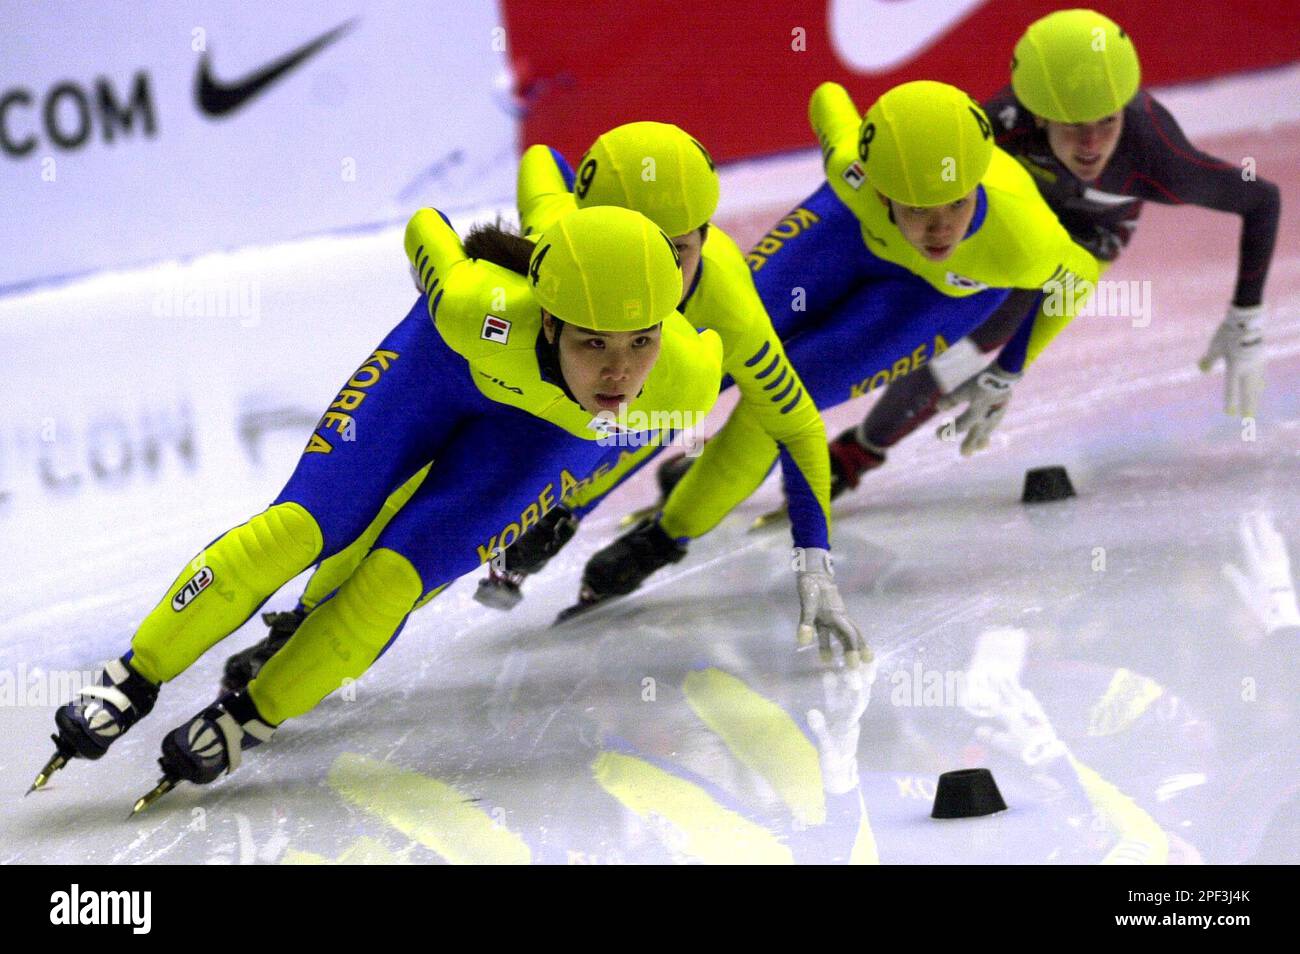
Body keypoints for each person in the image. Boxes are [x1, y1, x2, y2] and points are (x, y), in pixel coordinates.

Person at [31, 205, 742, 803]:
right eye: (594, 343)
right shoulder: (474, 307)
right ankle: (133, 677)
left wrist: (573, 505)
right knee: (297, 531)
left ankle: (249, 718)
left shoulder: (683, 376)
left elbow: (645, 432)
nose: (619, 370)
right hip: (442, 370)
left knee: (390, 585)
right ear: (549, 324)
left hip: (545, 438)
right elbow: (424, 227)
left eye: (640, 341)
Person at [220, 120, 863, 688]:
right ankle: (301, 624)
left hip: (606, 413)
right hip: (518, 380)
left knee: (444, 536)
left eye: (675, 256)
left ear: (705, 235)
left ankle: (585, 527)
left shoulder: (724, 301)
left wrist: (815, 566)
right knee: (397, 496)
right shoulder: (554, 231)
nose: (645, 282)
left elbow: (796, 422)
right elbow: (542, 165)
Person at [553, 79, 1102, 609]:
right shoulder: (854, 168)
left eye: (956, 206)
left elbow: (1079, 278)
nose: (939, 230)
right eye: (917, 209)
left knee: (786, 397)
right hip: (848, 230)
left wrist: (1009, 369)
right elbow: (828, 98)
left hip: (937, 295)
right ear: (880, 185)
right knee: (701, 353)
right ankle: (567, 504)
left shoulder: (1023, 239)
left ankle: (663, 540)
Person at [826, 7, 1281, 492]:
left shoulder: (1157, 157)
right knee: (924, 279)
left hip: (1087, 237)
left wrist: (1246, 318)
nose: (1090, 145)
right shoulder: (1002, 124)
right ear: (1039, 114)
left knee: (990, 326)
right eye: (1072, 125)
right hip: (1014, 213)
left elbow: (1262, 200)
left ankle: (856, 454)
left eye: (1106, 122)